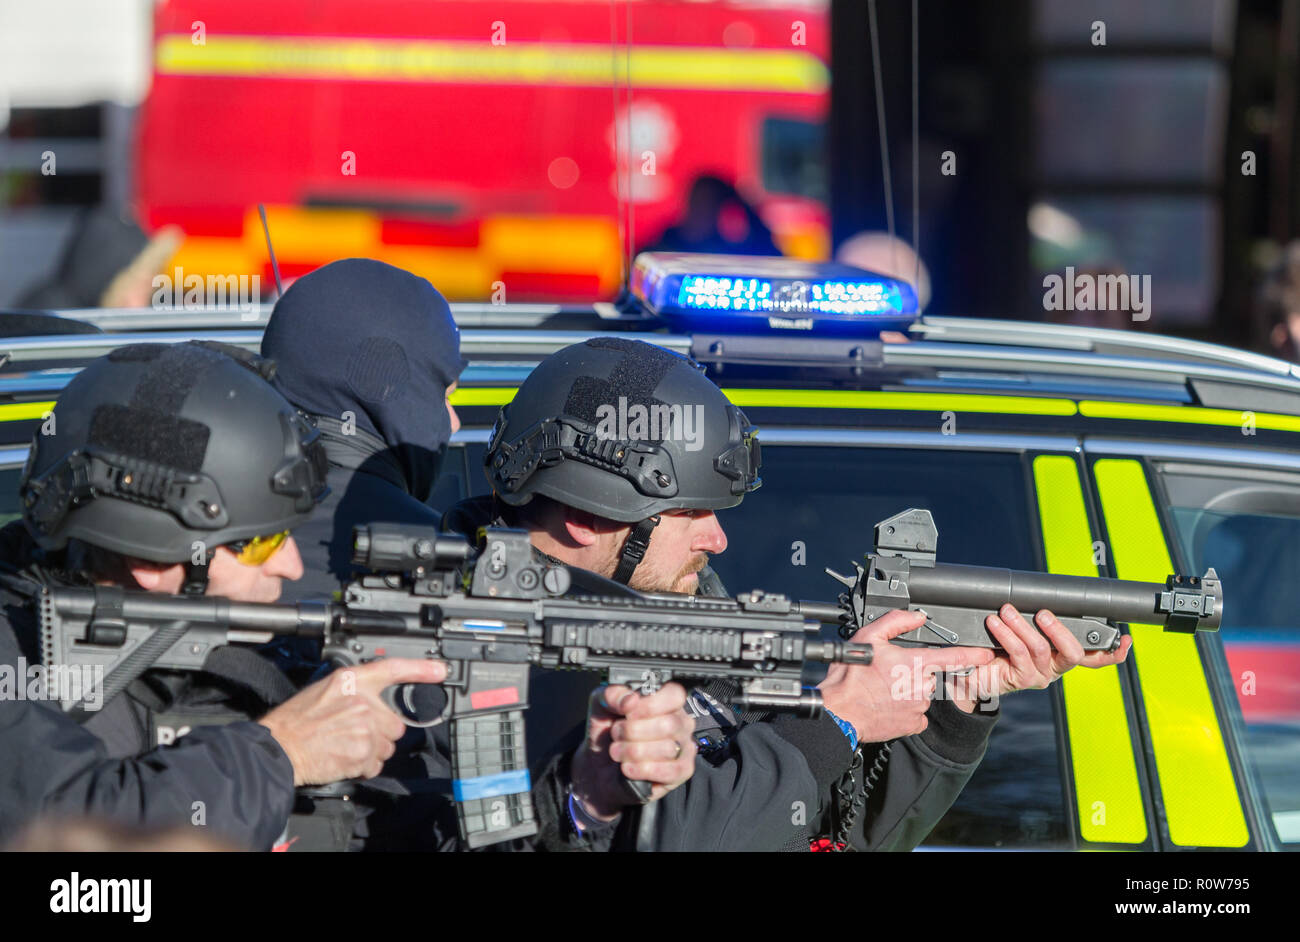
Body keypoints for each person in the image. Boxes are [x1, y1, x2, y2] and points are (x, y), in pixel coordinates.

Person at [446, 336, 1133, 850]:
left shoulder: (678, 620)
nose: (717, 541)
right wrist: (833, 720)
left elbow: (819, 837)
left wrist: (953, 699)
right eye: (690, 513)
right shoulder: (476, 657)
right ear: (587, 514)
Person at [258, 260, 694, 850]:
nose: (453, 421)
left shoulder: (185, 537)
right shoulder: (451, 563)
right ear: (386, 383)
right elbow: (501, 825)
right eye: (442, 393)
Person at [0, 340, 443, 850]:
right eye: (261, 544)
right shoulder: (17, 664)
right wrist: (284, 752)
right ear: (153, 562)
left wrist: (550, 803)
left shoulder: (238, 655)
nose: (292, 566)